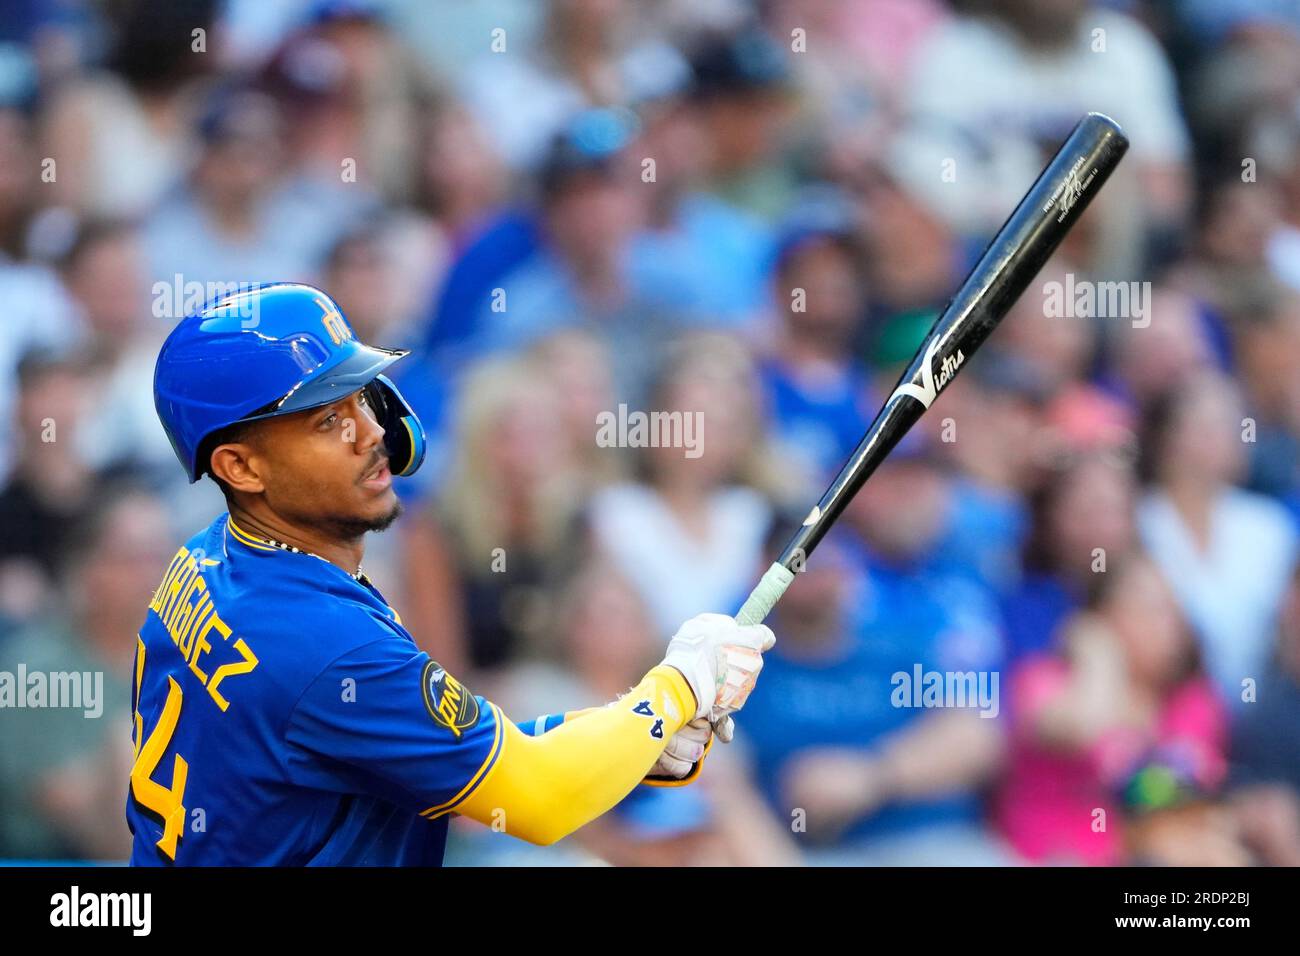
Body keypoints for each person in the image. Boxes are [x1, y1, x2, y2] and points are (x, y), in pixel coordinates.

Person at [130, 281, 774, 865]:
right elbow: (538, 797)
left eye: (362, 398)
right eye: (328, 420)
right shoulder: (325, 646)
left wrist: (635, 743)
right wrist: (675, 690)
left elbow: (459, 744)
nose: (374, 431)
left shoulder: (210, 556)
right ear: (240, 468)